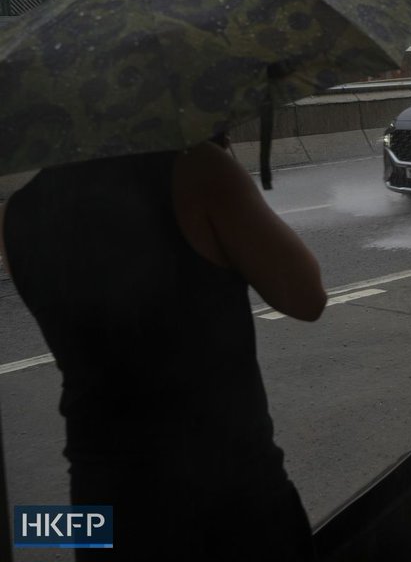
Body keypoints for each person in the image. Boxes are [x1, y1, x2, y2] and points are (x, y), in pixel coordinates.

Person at [0, 137, 328, 560]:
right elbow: (307, 298)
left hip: (101, 495)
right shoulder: (197, 170)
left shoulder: (17, 214)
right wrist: (226, 174)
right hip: (229, 496)